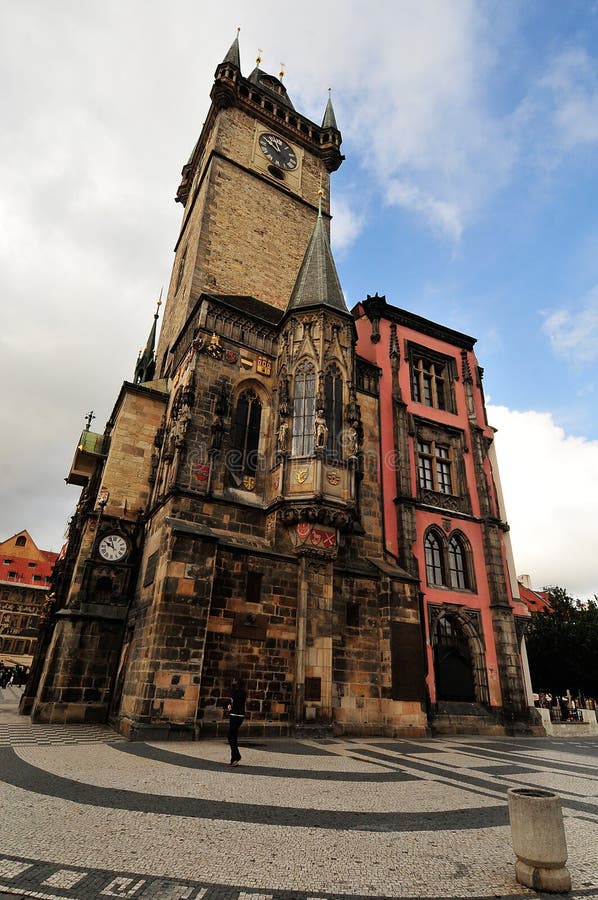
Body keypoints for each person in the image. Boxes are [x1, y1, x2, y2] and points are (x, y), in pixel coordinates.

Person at [227, 677, 246, 766]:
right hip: (239, 716)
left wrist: (233, 686)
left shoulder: (237, 692)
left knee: (231, 736)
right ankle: (234, 758)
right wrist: (229, 705)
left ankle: (236, 757)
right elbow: (233, 700)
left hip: (235, 715)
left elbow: (233, 695)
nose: (232, 681)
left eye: (234, 680)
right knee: (233, 736)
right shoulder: (242, 692)